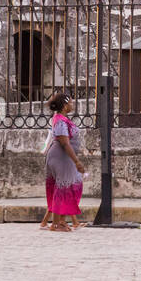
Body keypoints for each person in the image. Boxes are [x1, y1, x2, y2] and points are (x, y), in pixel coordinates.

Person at [43, 90, 85, 232]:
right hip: (61, 157)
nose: (72, 105)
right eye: (71, 102)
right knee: (62, 188)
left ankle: (61, 221)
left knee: (66, 188)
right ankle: (56, 224)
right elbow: (65, 143)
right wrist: (76, 161)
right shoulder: (60, 120)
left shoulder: (61, 119)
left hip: (62, 157)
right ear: (65, 104)